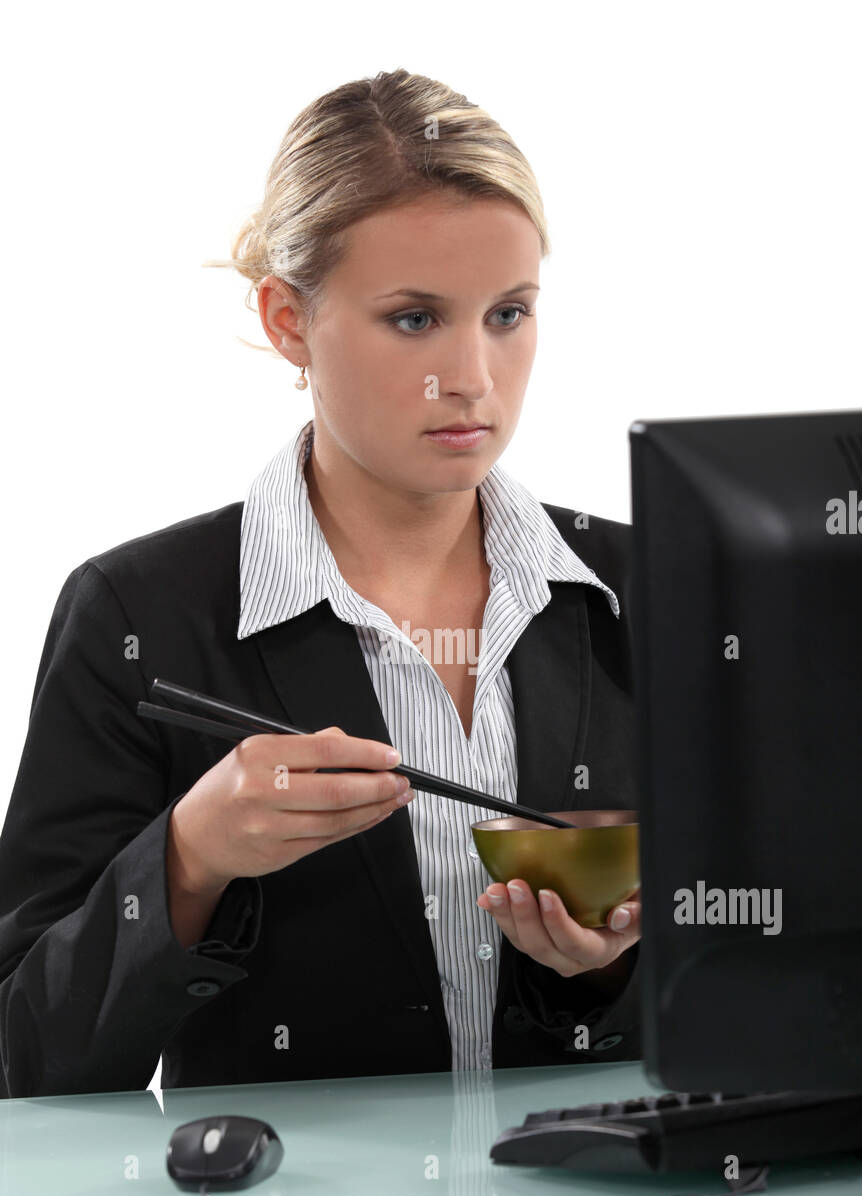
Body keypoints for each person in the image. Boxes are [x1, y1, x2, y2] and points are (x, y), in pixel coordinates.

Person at [0, 68, 641, 1100]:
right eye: (413, 319)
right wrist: (190, 859)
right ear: (287, 321)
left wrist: (608, 967)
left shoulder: (645, 594)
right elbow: (23, 1053)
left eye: (508, 313)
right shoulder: (136, 615)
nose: (471, 375)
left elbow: (784, 989)